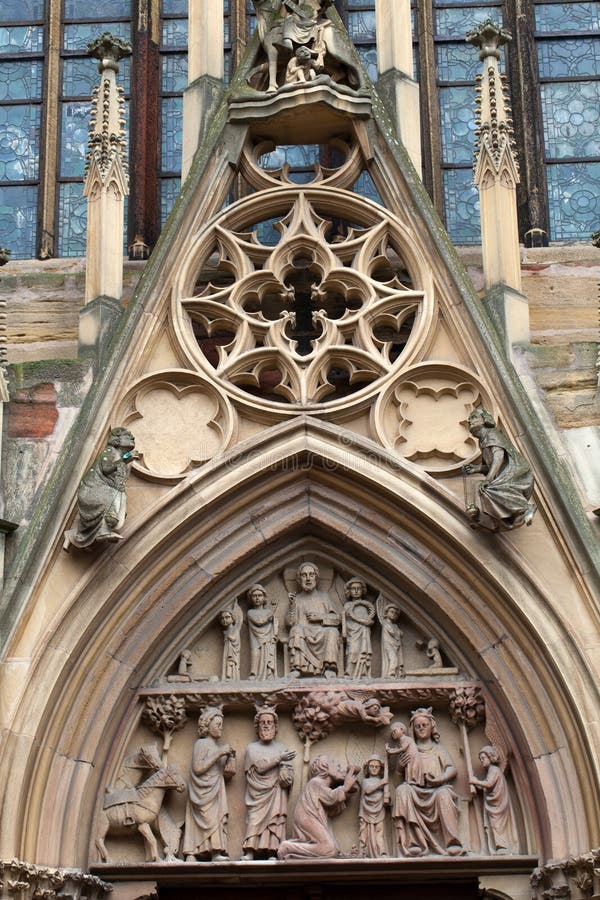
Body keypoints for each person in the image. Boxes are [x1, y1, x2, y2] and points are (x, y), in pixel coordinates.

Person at [392, 707, 464, 857]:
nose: (421, 728)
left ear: (432, 727)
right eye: (417, 726)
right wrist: (400, 767)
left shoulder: (438, 749)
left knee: (443, 794)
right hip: (414, 790)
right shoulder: (408, 750)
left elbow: (452, 769)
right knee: (402, 791)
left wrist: (439, 779)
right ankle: (414, 842)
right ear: (412, 729)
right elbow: (396, 781)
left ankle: (452, 842)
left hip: (436, 790)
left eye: (424, 725)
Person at [63, 427, 139, 550]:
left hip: (102, 489)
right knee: (111, 501)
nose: (132, 438)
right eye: (127, 436)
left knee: (119, 501)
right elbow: (107, 468)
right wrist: (127, 458)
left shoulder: (120, 457)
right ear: (117, 440)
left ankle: (74, 536)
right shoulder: (110, 452)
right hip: (92, 489)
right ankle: (103, 531)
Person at [462, 408, 536, 531]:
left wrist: (488, 479)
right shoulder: (483, 440)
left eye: (474, 417)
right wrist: (476, 468)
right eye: (470, 419)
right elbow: (493, 465)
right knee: (487, 490)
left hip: (516, 473)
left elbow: (498, 458)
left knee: (488, 488)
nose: (470, 421)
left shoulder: (491, 434)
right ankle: (499, 523)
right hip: (506, 473)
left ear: (485, 420)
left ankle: (525, 508)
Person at [277, 754, 359, 859]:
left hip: (310, 819)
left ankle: (293, 849)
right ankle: (288, 847)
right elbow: (332, 797)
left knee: (331, 849)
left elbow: (333, 808)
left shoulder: (321, 786)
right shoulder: (316, 783)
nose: (340, 768)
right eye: (336, 765)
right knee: (329, 849)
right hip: (307, 819)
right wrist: (345, 787)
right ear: (324, 767)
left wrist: (348, 789)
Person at [241, 706, 296, 859]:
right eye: (263, 722)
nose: (266, 725)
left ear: (275, 727)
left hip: (276, 791)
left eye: (270, 722)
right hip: (257, 793)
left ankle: (272, 850)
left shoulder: (281, 748)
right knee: (254, 818)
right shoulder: (252, 748)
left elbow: (288, 769)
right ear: (257, 727)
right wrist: (279, 759)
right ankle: (250, 850)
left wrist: (287, 776)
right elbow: (259, 767)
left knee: (275, 819)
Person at [183, 707, 236, 862]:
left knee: (216, 820)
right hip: (202, 792)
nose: (221, 728)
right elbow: (198, 768)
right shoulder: (202, 744)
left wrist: (231, 758)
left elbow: (225, 773)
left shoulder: (216, 748)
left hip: (216, 790)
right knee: (206, 819)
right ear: (207, 725)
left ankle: (215, 852)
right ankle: (192, 852)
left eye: (221, 725)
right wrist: (219, 753)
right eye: (217, 724)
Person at [287, 561, 342, 677]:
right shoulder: (296, 600)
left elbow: (337, 619)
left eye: (311, 575)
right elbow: (290, 623)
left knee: (333, 631)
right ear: (298, 579)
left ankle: (330, 667)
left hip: (322, 632)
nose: (308, 579)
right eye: (304, 575)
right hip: (304, 632)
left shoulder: (324, 598)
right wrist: (292, 605)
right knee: (295, 630)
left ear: (316, 578)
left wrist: (320, 618)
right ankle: (298, 667)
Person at [469, 746, 516, 855]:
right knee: (495, 825)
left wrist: (475, 781)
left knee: (497, 825)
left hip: (498, 805)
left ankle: (503, 847)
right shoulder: (490, 771)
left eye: (483, 758)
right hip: (493, 804)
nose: (481, 761)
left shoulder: (494, 770)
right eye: (480, 759)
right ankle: (500, 846)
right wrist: (476, 783)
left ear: (490, 757)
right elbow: (487, 786)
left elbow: (489, 784)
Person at [343, 576, 375, 679]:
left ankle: (363, 673)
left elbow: (368, 618)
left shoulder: (365, 607)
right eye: (353, 588)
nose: (356, 591)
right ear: (349, 591)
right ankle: (349, 673)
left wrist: (367, 623)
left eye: (359, 588)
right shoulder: (348, 605)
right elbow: (347, 619)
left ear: (362, 590)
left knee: (363, 652)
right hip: (352, 633)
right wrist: (365, 622)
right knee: (352, 651)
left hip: (364, 633)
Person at [358, 755, 389, 858]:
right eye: (372, 766)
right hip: (366, 810)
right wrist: (382, 782)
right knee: (364, 831)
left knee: (379, 831)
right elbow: (367, 790)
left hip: (379, 809)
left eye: (377, 767)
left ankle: (381, 852)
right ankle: (364, 851)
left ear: (381, 769)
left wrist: (387, 797)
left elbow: (388, 798)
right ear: (367, 768)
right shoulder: (365, 781)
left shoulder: (383, 783)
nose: (374, 768)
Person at [246, 584, 278, 680]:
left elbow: (275, 623)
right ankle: (254, 674)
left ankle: (269, 674)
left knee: (267, 654)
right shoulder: (250, 612)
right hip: (256, 638)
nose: (257, 598)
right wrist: (272, 613)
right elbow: (259, 622)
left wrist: (275, 634)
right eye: (254, 596)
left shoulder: (268, 611)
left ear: (264, 598)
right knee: (256, 654)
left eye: (260, 595)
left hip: (268, 637)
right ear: (251, 598)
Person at [386, 721, 422, 786]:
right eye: (392, 733)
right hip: (408, 759)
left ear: (402, 730)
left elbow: (402, 748)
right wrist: (390, 750)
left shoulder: (407, 739)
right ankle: (410, 781)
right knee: (409, 769)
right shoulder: (400, 742)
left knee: (413, 769)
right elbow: (398, 748)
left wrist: (391, 751)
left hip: (413, 758)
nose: (393, 733)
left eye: (394, 731)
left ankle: (415, 781)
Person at [376, 598, 404, 678]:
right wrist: (398, 632)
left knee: (395, 659)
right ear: (386, 613)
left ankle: (394, 674)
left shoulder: (395, 625)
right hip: (389, 645)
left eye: (395, 613)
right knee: (393, 658)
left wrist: (399, 632)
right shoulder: (385, 623)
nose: (393, 614)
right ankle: (391, 674)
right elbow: (392, 632)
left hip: (395, 645)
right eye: (391, 612)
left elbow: (400, 634)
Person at [220, 601, 243, 681]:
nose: (224, 620)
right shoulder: (226, 631)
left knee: (231, 663)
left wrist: (229, 637)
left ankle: (231, 677)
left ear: (232, 619)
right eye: (222, 618)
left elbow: (235, 640)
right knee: (226, 663)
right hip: (227, 649)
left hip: (232, 652)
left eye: (227, 617)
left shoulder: (235, 629)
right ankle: (226, 677)